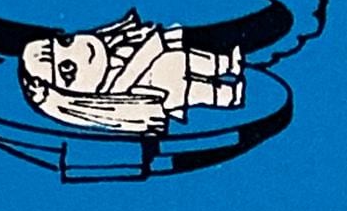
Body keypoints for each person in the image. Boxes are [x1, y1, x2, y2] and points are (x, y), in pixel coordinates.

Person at [18, 15, 244, 133]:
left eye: (65, 42)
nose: (80, 53)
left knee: (188, 59)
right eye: (67, 70)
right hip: (163, 89)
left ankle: (225, 64)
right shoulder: (114, 89)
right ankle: (227, 96)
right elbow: (136, 67)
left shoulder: (117, 46)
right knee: (195, 90)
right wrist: (155, 44)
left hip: (167, 64)